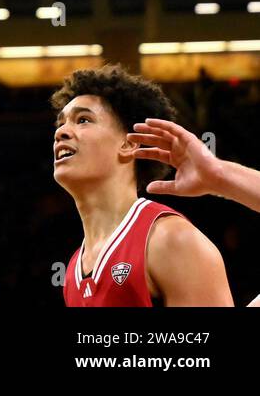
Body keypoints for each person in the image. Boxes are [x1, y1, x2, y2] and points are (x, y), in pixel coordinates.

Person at [51, 66, 233, 306]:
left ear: (129, 144)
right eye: (61, 123)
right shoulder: (75, 265)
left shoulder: (171, 240)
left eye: (83, 120)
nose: (61, 132)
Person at [128, 116, 260, 306]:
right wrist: (218, 176)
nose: (67, 131)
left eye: (83, 120)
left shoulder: (174, 238)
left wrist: (220, 176)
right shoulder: (78, 260)